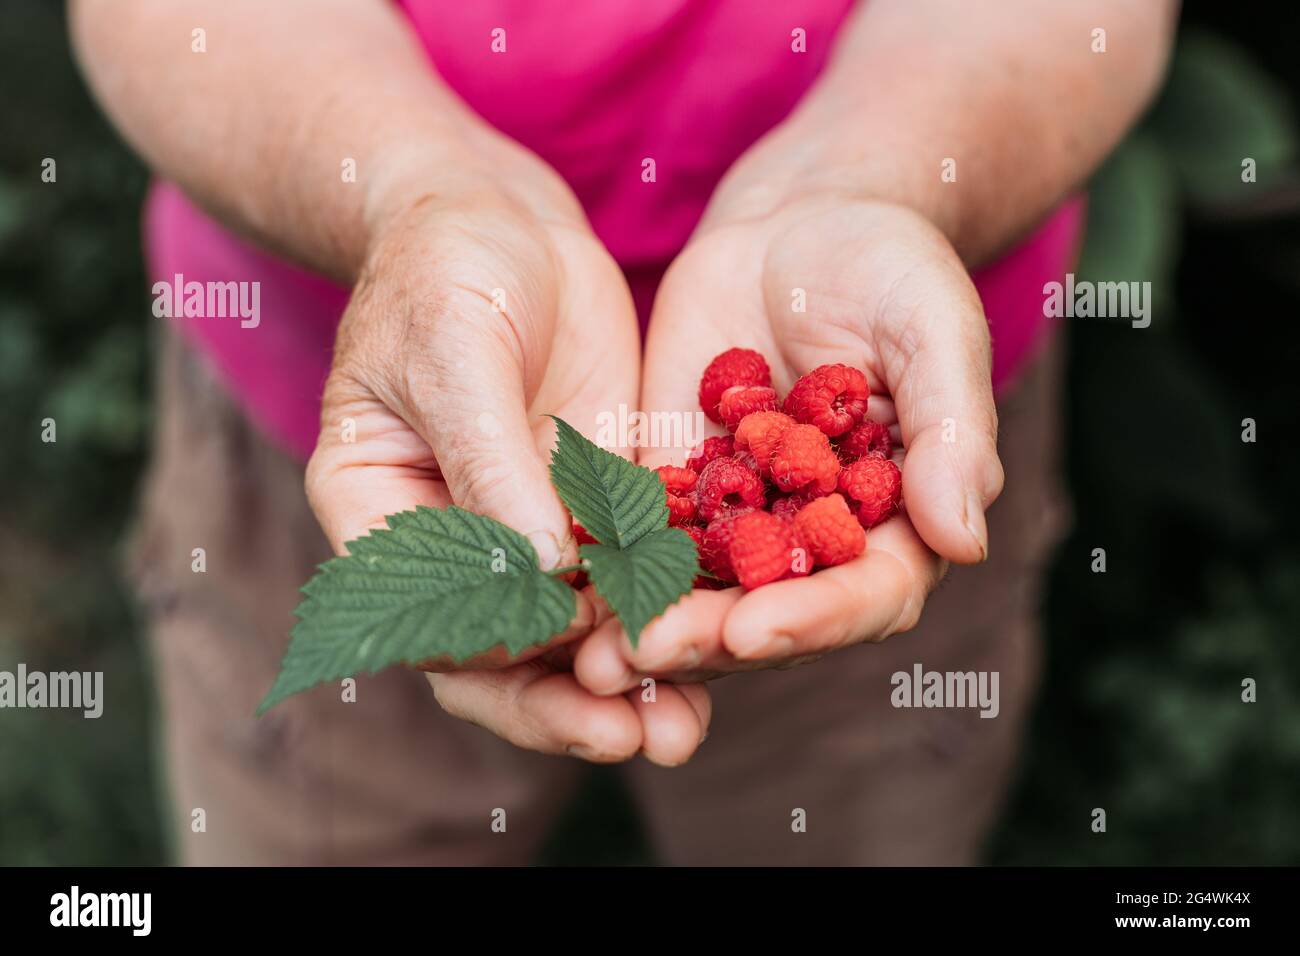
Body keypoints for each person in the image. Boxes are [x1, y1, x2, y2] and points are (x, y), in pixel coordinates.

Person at [71, 0, 1176, 864]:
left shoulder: (801, 457)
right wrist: (411, 195)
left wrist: (873, 181)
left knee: (852, 820)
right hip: (359, 414)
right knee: (327, 818)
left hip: (906, 361)